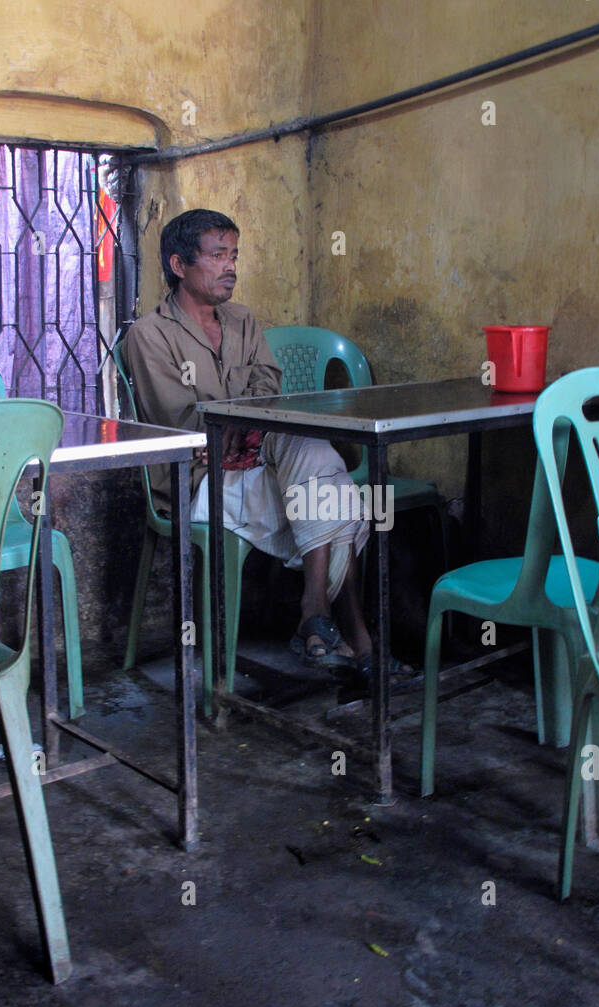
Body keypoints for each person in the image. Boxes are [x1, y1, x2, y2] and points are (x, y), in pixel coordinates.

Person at [124, 208, 409, 680]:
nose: (231, 266)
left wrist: (242, 419)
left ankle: (318, 617)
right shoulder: (149, 335)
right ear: (179, 265)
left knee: (317, 458)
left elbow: (270, 389)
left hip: (261, 459)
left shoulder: (242, 321)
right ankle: (355, 637)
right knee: (340, 492)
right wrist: (243, 419)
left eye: (233, 255)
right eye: (218, 256)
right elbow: (183, 420)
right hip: (200, 478)